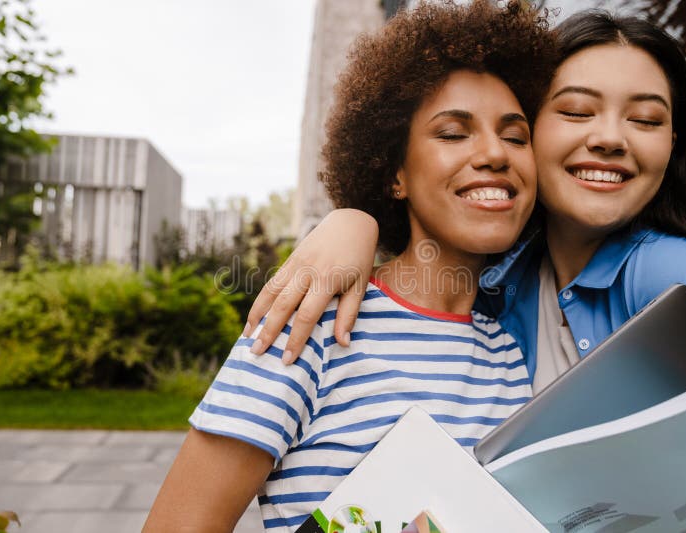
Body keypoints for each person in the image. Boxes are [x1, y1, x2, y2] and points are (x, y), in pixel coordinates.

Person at [143, 2, 557, 531]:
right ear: (394, 174)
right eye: (454, 133)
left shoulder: (510, 353)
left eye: (516, 136)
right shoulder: (310, 317)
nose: (496, 153)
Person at [245, 10, 686, 396]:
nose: (610, 138)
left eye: (647, 120)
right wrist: (353, 222)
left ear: (672, 146)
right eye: (578, 111)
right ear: (529, 130)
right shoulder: (497, 290)